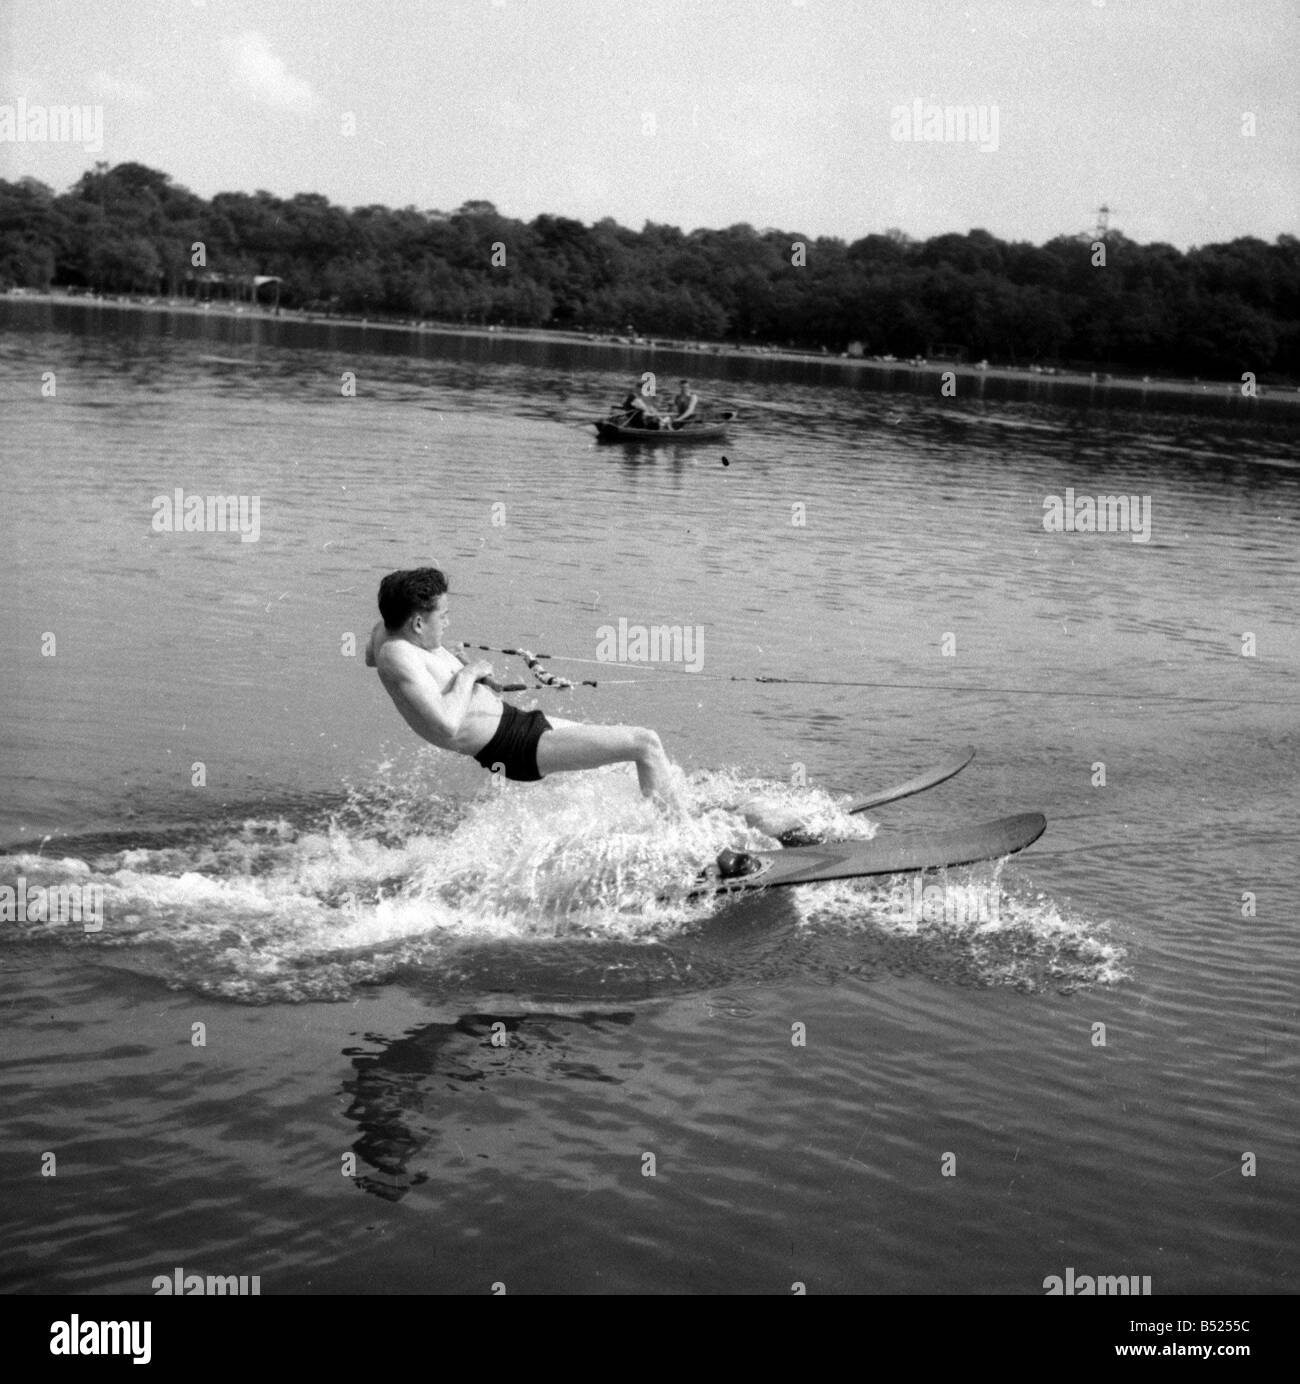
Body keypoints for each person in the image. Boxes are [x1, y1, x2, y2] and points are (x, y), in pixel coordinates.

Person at [365, 567, 682, 809]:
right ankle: (680, 846)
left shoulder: (389, 632)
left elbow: (371, 655)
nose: (448, 623)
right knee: (645, 744)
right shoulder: (397, 653)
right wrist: (469, 673)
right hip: (515, 748)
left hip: (519, 723)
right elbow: (446, 724)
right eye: (443, 617)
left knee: (619, 766)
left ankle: (653, 825)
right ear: (418, 623)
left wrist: (461, 667)